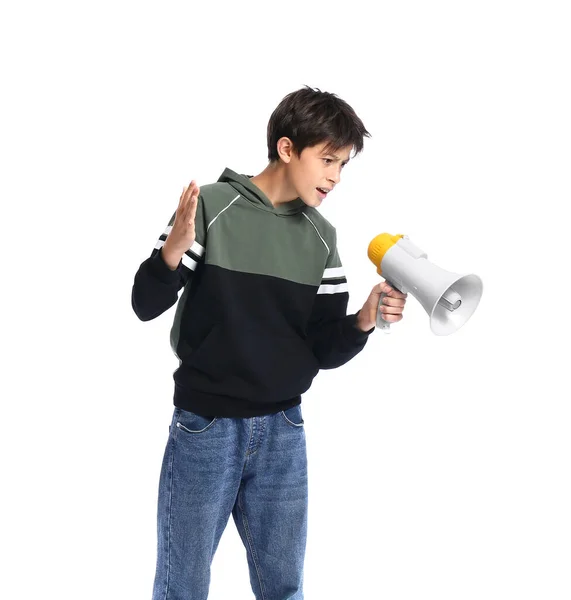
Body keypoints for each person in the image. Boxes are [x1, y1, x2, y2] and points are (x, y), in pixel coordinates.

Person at [131, 85, 407, 600]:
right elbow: (145, 304)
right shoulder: (213, 207)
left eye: (343, 165)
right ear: (286, 148)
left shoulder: (322, 237)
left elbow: (323, 348)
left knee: (284, 588)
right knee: (182, 586)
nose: (335, 177)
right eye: (327, 160)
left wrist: (364, 320)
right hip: (206, 427)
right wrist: (171, 253)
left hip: (284, 430)